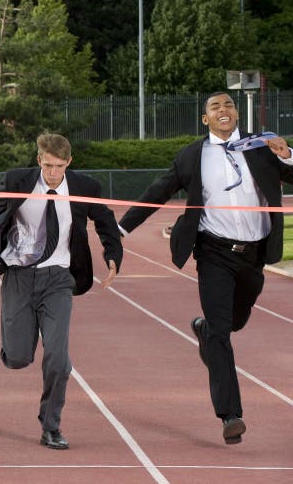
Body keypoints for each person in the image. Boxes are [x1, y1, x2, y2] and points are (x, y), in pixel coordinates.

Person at [119, 92, 293, 445]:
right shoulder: (191, 156)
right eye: (215, 107)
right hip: (213, 252)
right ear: (205, 119)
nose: (223, 110)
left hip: (254, 254)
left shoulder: (260, 146)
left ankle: (204, 329)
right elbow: (157, 192)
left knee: (234, 322)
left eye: (228, 105)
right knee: (221, 333)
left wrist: (287, 154)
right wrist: (120, 229)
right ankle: (231, 415)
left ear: (236, 114)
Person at [0, 133, 122, 450]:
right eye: (47, 165)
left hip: (58, 279)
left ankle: (51, 425)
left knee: (57, 357)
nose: (53, 173)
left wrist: (113, 255)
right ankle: (17, 344)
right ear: (39, 159)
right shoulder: (17, 181)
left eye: (59, 166)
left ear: (69, 162)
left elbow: (106, 221)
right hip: (18, 275)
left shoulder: (84, 187)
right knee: (17, 357)